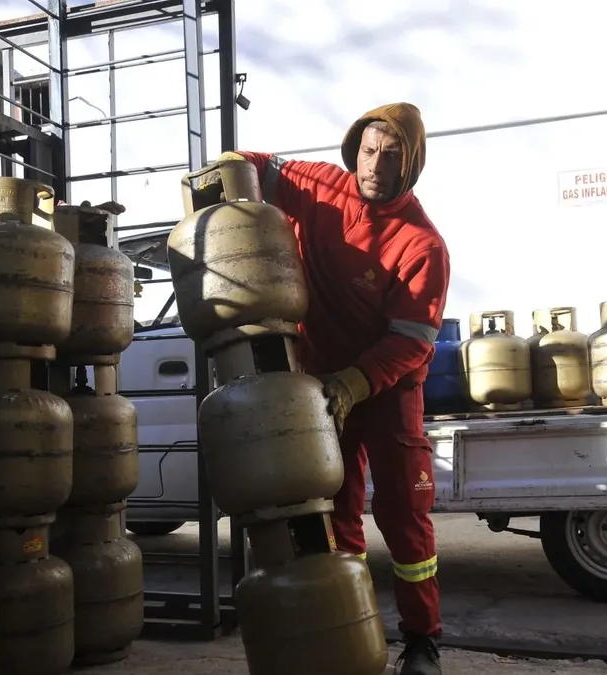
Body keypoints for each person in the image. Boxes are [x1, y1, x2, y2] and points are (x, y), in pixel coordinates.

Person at [223, 102, 451, 675]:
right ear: (355, 151)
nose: (375, 165)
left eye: (391, 155)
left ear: (411, 163)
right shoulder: (322, 187)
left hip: (387, 389)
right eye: (369, 151)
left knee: (403, 515)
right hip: (321, 386)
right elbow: (258, 166)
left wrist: (357, 381)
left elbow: (411, 342)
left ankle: (422, 642)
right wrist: (224, 168)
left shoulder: (422, 245)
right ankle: (352, 632)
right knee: (335, 511)